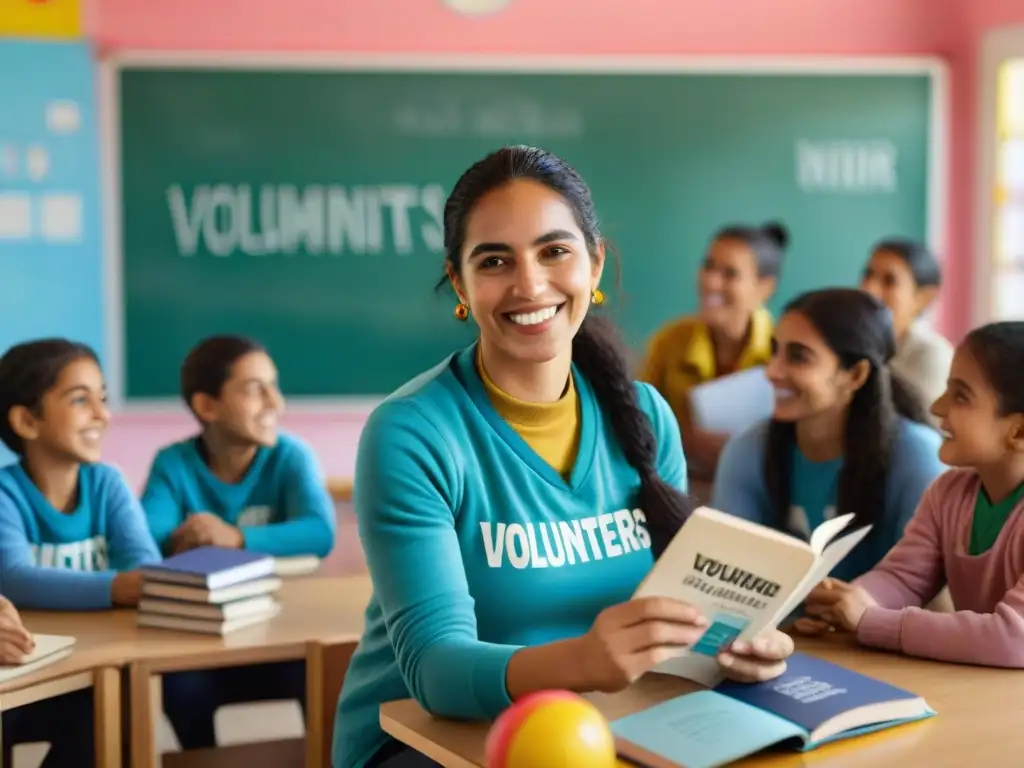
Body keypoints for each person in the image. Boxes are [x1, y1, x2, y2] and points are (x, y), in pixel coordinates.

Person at [332, 146, 795, 768]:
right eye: (494, 260)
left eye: (554, 251)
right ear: (460, 283)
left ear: (594, 264)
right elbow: (435, 671)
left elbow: (675, 614)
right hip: (425, 745)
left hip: (601, 728)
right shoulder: (412, 434)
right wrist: (583, 661)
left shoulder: (647, 416)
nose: (529, 285)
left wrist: (729, 642)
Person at [140, 334, 333, 750]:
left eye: (273, 386)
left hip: (285, 636)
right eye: (253, 390)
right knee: (180, 688)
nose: (275, 403)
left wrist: (234, 537)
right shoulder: (173, 464)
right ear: (206, 406)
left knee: (327, 672)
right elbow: (149, 544)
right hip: (202, 643)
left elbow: (319, 532)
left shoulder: (290, 456)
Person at [801, 322, 1024, 666]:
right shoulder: (948, 493)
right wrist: (847, 605)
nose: (937, 406)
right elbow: (903, 577)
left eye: (961, 396)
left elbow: (1014, 639)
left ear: (1019, 431)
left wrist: (874, 621)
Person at [710, 289, 946, 588]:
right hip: (773, 620)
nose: (772, 372)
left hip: (879, 619)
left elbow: (923, 587)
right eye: (775, 351)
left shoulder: (918, 457)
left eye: (798, 357)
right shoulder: (747, 450)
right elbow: (726, 581)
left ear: (856, 375)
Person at [0, 339, 161, 767]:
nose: (102, 415)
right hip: (20, 672)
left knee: (120, 712)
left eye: (102, 399)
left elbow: (146, 568)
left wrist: (132, 583)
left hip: (90, 666)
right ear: (27, 420)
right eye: (79, 400)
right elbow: (13, 577)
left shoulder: (108, 483)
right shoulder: (5, 493)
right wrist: (117, 586)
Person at [638, 221, 787, 485]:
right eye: (708, 266)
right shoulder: (669, 341)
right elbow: (634, 420)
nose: (710, 282)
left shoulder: (784, 353)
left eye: (730, 274)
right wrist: (683, 438)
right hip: (680, 487)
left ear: (765, 287)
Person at [860, 238, 952, 422]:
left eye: (889, 281)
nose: (869, 289)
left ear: (924, 297)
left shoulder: (932, 355)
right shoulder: (855, 343)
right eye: (868, 275)